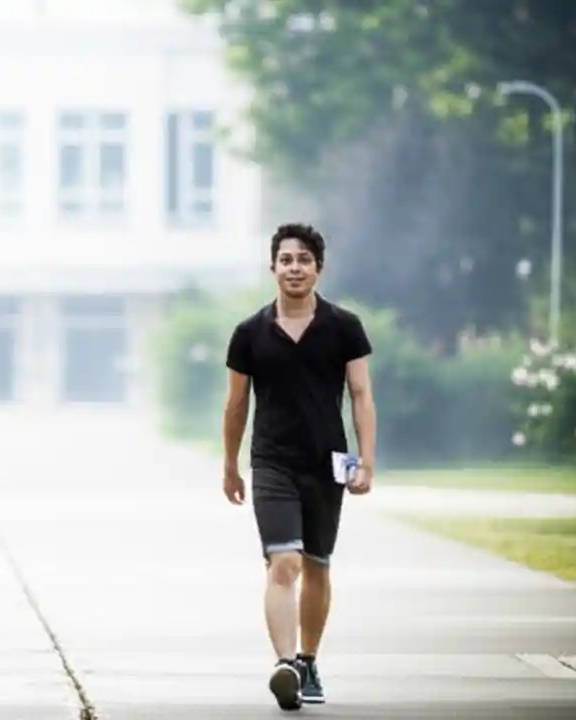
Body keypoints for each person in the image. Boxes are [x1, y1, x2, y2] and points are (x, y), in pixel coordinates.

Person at [220, 222, 377, 711]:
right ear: (273, 268)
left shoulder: (344, 327)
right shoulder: (249, 333)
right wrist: (230, 464)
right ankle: (285, 663)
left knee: (317, 566)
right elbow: (236, 404)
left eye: (303, 259)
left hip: (327, 462)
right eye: (286, 259)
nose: (294, 268)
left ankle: (308, 659)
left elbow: (360, 394)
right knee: (283, 560)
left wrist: (366, 461)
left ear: (318, 268)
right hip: (271, 462)